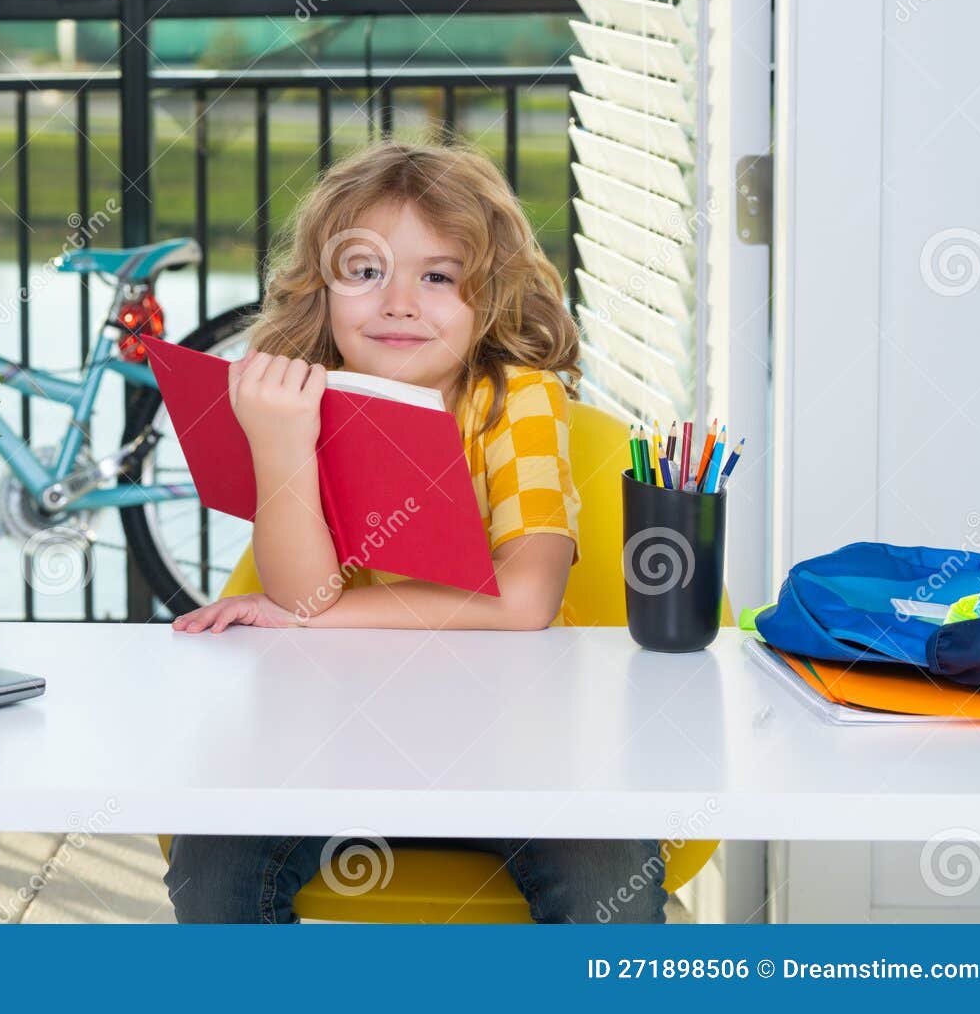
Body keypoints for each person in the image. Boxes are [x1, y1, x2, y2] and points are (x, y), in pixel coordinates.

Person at [164, 139, 667, 924]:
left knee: (609, 880)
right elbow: (303, 593)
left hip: (520, 744)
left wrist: (320, 615)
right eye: (365, 271)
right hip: (342, 737)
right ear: (321, 291)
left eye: (437, 276)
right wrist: (282, 446)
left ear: (489, 296)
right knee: (213, 863)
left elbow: (526, 599)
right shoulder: (303, 406)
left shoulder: (517, 401)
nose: (399, 303)